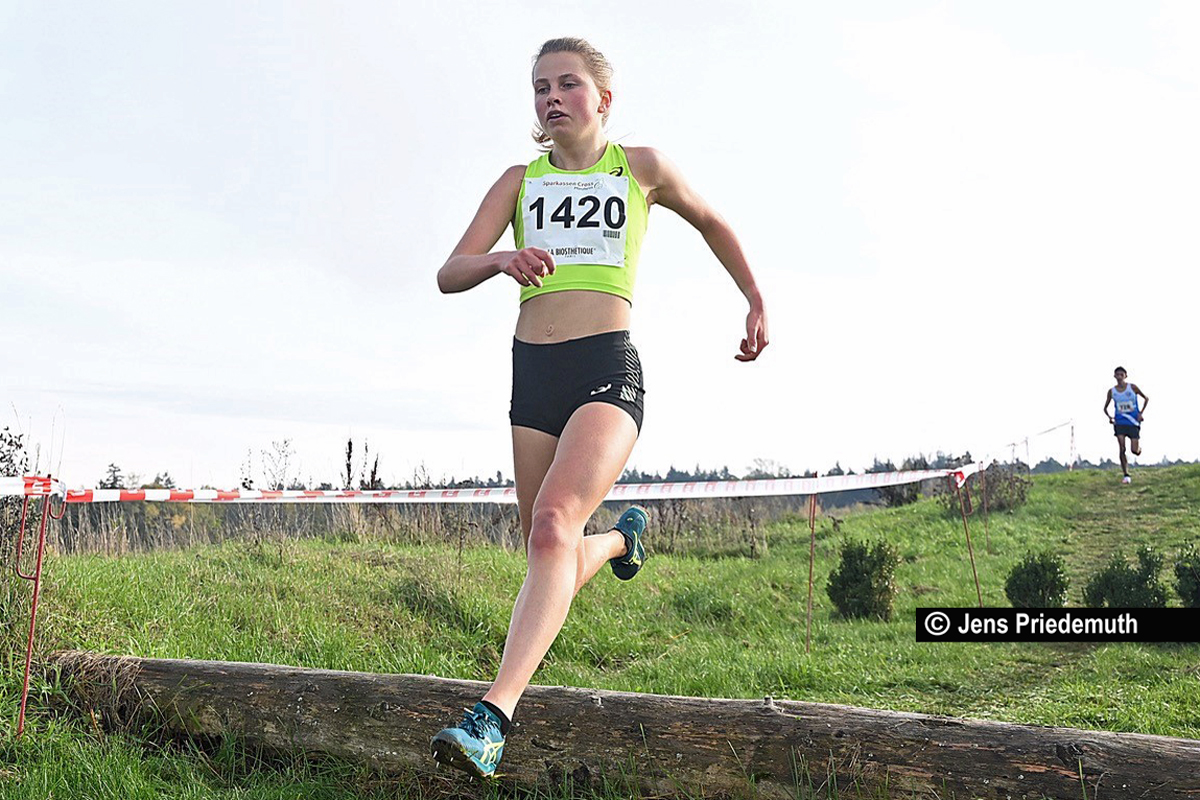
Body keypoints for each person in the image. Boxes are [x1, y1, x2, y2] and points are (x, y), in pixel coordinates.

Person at [429, 37, 768, 778]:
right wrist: (499, 260)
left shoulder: (639, 168)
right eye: (540, 88)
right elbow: (449, 273)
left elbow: (710, 218)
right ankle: (620, 542)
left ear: (603, 99)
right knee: (544, 553)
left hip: (605, 370)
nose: (552, 98)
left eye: (568, 85)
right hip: (534, 375)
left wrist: (754, 297)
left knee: (552, 528)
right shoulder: (519, 182)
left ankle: (492, 716)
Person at [1104, 366, 1149, 484]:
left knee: (1134, 450)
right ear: (1114, 376)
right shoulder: (1112, 391)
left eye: (1121, 375)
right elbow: (1105, 408)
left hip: (1133, 422)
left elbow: (1146, 398)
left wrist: (1140, 413)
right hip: (1120, 422)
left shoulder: (1132, 388)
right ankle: (1126, 474)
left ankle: (1139, 450)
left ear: (1125, 376)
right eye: (1117, 375)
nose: (1119, 377)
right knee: (1122, 448)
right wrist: (1110, 418)